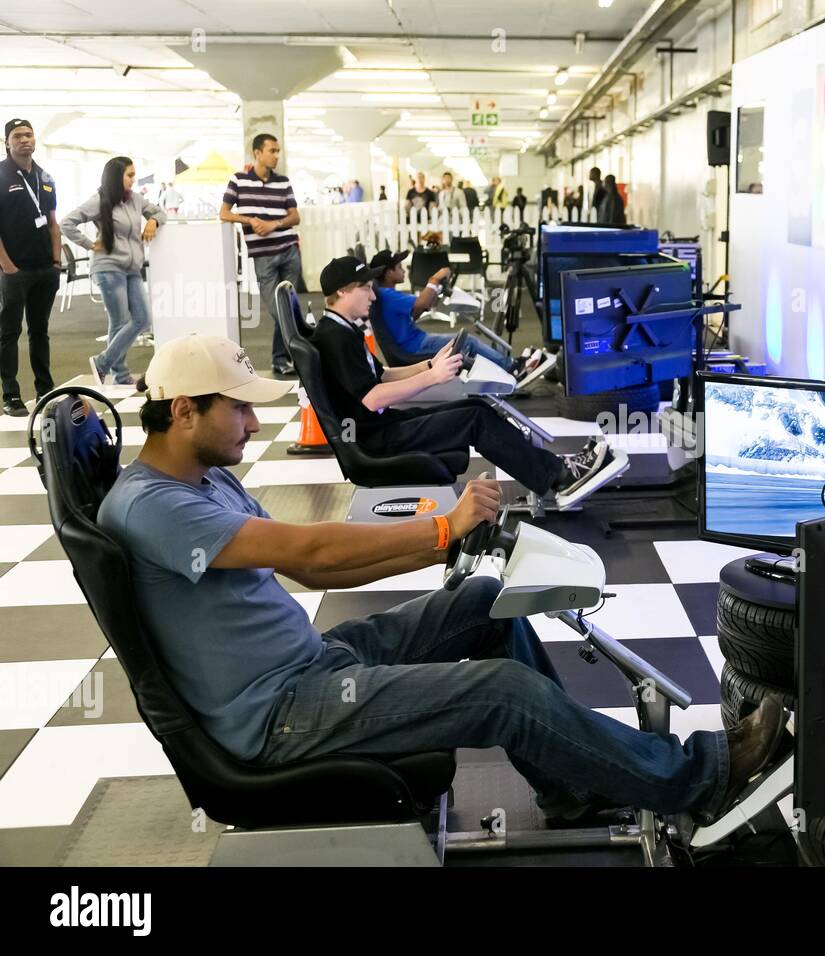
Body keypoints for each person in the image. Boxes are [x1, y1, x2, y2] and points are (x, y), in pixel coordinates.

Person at [97, 332, 785, 824]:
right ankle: (700, 778)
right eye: (237, 408)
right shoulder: (154, 506)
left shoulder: (204, 480)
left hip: (307, 662)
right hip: (278, 713)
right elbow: (315, 549)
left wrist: (439, 550)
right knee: (504, 694)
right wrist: (440, 529)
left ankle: (569, 788)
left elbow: (306, 566)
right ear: (184, 409)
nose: (252, 422)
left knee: (485, 602)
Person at [312, 255, 618, 506]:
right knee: (475, 419)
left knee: (476, 407)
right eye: (365, 288)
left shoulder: (345, 329)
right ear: (342, 291)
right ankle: (562, 478)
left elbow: (382, 376)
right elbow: (372, 398)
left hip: (381, 427)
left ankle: (557, 468)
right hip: (373, 440)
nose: (373, 294)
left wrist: (430, 364)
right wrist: (433, 377)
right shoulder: (335, 336)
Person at [368, 248, 551, 383]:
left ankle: (507, 366)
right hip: (414, 346)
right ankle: (512, 368)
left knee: (465, 340)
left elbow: (416, 311)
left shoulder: (388, 295)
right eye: (399, 267)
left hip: (416, 341)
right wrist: (435, 279)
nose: (404, 270)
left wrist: (435, 290)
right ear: (388, 272)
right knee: (468, 342)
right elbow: (422, 304)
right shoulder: (387, 295)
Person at [60, 155, 166, 387]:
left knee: (141, 319)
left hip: (132, 268)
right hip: (108, 267)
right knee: (120, 321)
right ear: (117, 177)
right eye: (129, 175)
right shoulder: (99, 200)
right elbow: (67, 222)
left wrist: (152, 222)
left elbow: (161, 213)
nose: (133, 180)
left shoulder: (136, 200)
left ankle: (105, 364)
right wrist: (89, 244)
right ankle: (117, 373)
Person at [219, 133, 303, 377]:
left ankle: (280, 359)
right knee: (281, 311)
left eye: (278, 151)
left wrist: (273, 225)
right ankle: (289, 356)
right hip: (263, 257)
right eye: (272, 151)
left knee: (289, 308)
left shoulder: (283, 182)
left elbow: (295, 216)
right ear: (257, 153)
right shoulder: (239, 180)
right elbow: (224, 213)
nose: (277, 155)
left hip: (288, 251)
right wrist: (250, 220)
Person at [0, 118, 61, 417]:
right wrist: (7, 266)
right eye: (17, 136)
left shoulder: (45, 176)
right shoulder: (0, 175)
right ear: (7, 142)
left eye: (29, 134)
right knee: (9, 332)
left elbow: (52, 221)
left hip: (45, 270)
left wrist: (57, 261)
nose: (25, 139)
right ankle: (11, 395)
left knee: (40, 331)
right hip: (14, 271)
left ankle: (45, 390)